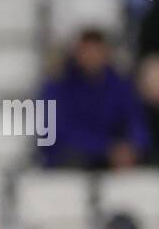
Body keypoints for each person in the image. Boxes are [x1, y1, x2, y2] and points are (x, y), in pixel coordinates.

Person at [39, 28, 149, 169]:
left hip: (112, 158)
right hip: (74, 158)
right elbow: (57, 132)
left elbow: (135, 120)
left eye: (97, 50)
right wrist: (105, 148)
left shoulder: (120, 84)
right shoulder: (57, 85)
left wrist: (133, 146)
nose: (92, 56)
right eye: (87, 50)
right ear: (76, 52)